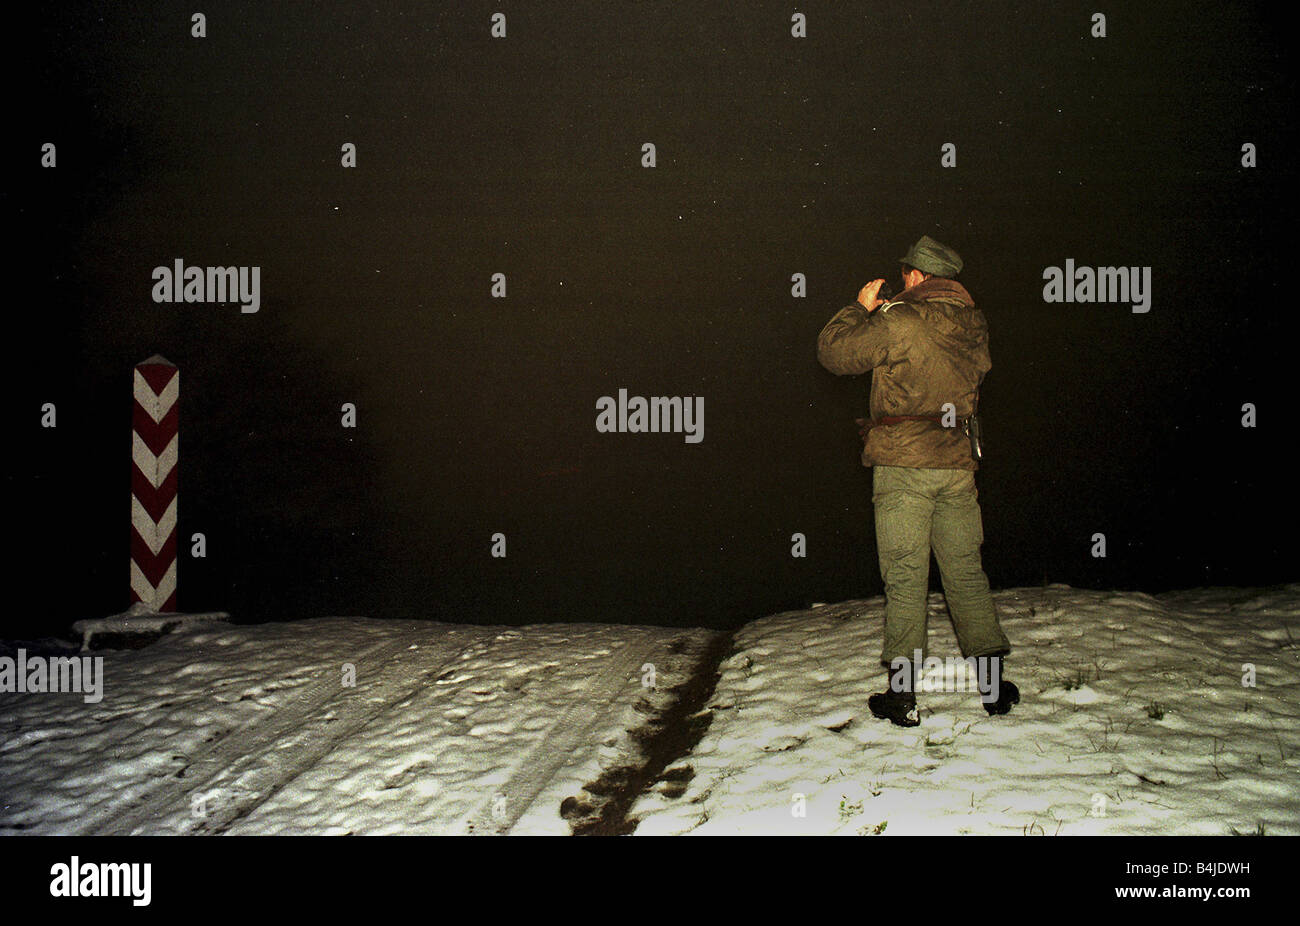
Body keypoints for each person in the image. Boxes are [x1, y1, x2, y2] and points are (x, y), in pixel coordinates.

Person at [817, 235, 1018, 726]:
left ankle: (902, 697)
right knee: (965, 571)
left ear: (917, 276)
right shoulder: (973, 322)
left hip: (905, 465)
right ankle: (992, 689)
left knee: (906, 575)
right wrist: (896, 320)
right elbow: (941, 355)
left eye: (907, 273)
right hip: (956, 465)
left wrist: (859, 310)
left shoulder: (898, 320)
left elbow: (835, 355)